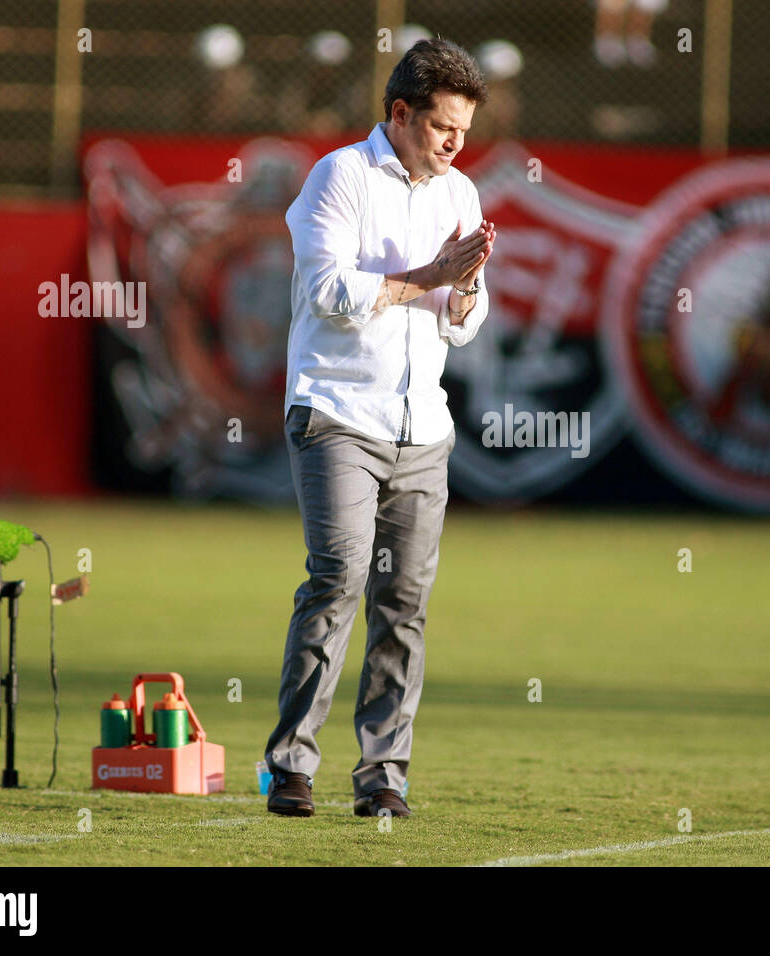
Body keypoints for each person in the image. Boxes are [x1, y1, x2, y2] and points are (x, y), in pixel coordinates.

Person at [264, 37, 496, 819]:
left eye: (463, 130)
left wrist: (461, 294)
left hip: (422, 427)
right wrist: (430, 277)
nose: (457, 144)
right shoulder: (339, 175)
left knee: (404, 602)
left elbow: (465, 323)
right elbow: (329, 291)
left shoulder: (459, 194)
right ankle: (290, 766)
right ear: (400, 114)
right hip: (336, 413)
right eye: (443, 128)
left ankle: (383, 776)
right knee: (337, 577)